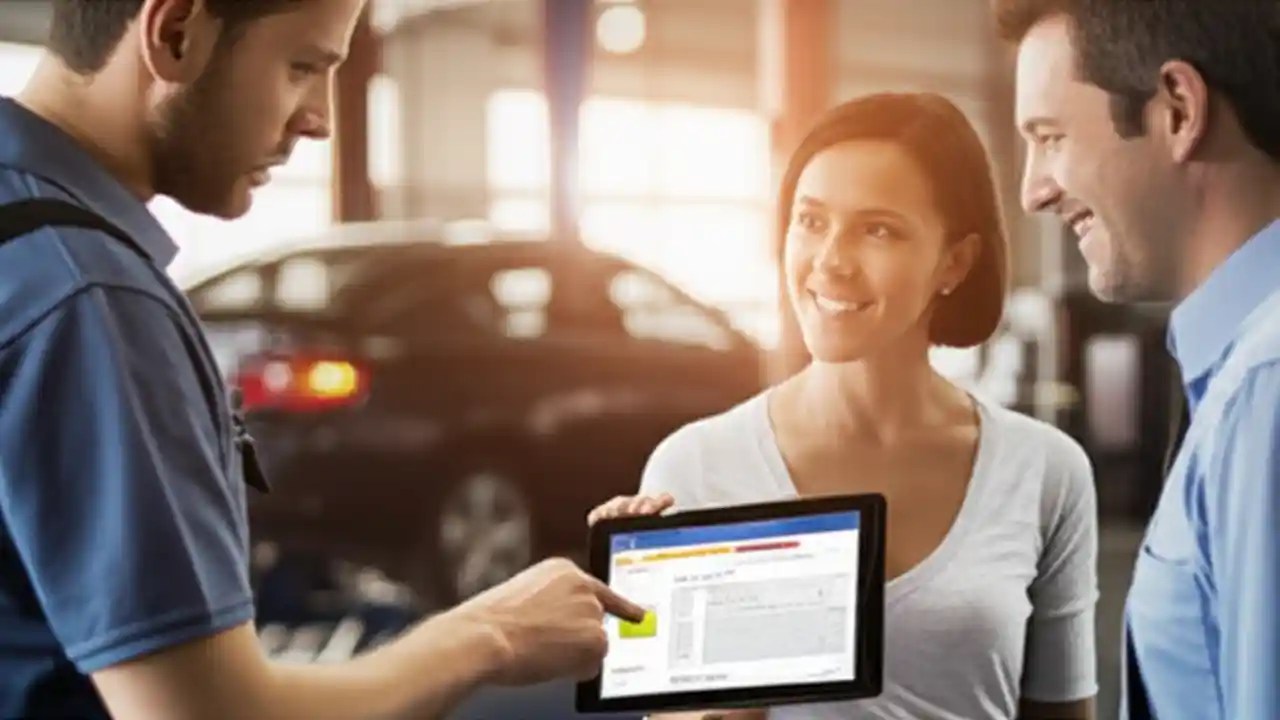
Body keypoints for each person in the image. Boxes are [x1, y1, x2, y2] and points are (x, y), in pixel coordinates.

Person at [0, 1, 642, 718]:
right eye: (302, 67)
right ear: (176, 33)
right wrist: (490, 634)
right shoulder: (96, 302)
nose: (321, 119)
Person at [588, 93, 1098, 720]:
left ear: (954, 262)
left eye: (877, 229)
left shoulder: (1045, 469)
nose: (830, 260)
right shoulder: (693, 466)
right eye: (811, 220)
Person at [994, 1, 1280, 718]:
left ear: (1179, 110)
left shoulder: (1265, 390)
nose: (1033, 190)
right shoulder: (1240, 376)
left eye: (1050, 136)